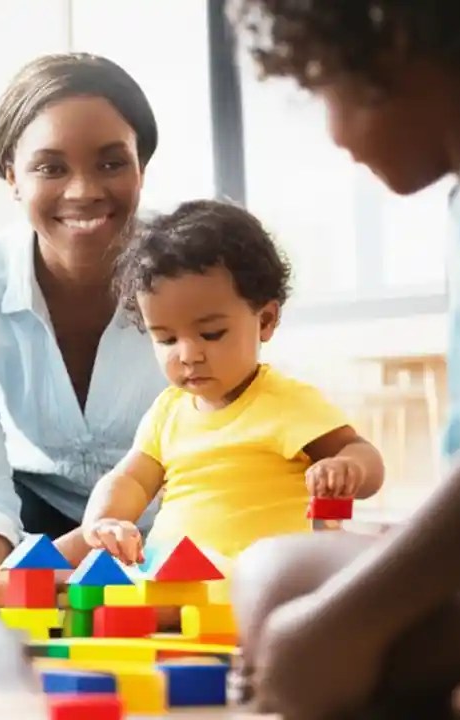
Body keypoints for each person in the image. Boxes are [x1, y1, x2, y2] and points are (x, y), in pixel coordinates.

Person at [223, 1, 460, 717]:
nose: (332, 134)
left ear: (393, 42)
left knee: (280, 583)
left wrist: (343, 622)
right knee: (292, 584)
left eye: (322, 89)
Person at [0, 53, 169, 582]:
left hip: (176, 519)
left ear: (140, 169)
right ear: (13, 177)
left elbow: (227, 444)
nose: (83, 190)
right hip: (34, 518)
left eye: (111, 163)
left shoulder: (197, 272)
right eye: (50, 167)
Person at [79, 200, 384, 593]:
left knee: (122, 595)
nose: (188, 354)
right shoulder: (168, 411)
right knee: (89, 581)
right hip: (168, 572)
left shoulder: (284, 402)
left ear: (266, 320)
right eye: (167, 339)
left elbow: (363, 456)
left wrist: (348, 469)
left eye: (211, 334)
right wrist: (106, 520)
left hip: (251, 577)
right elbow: (131, 479)